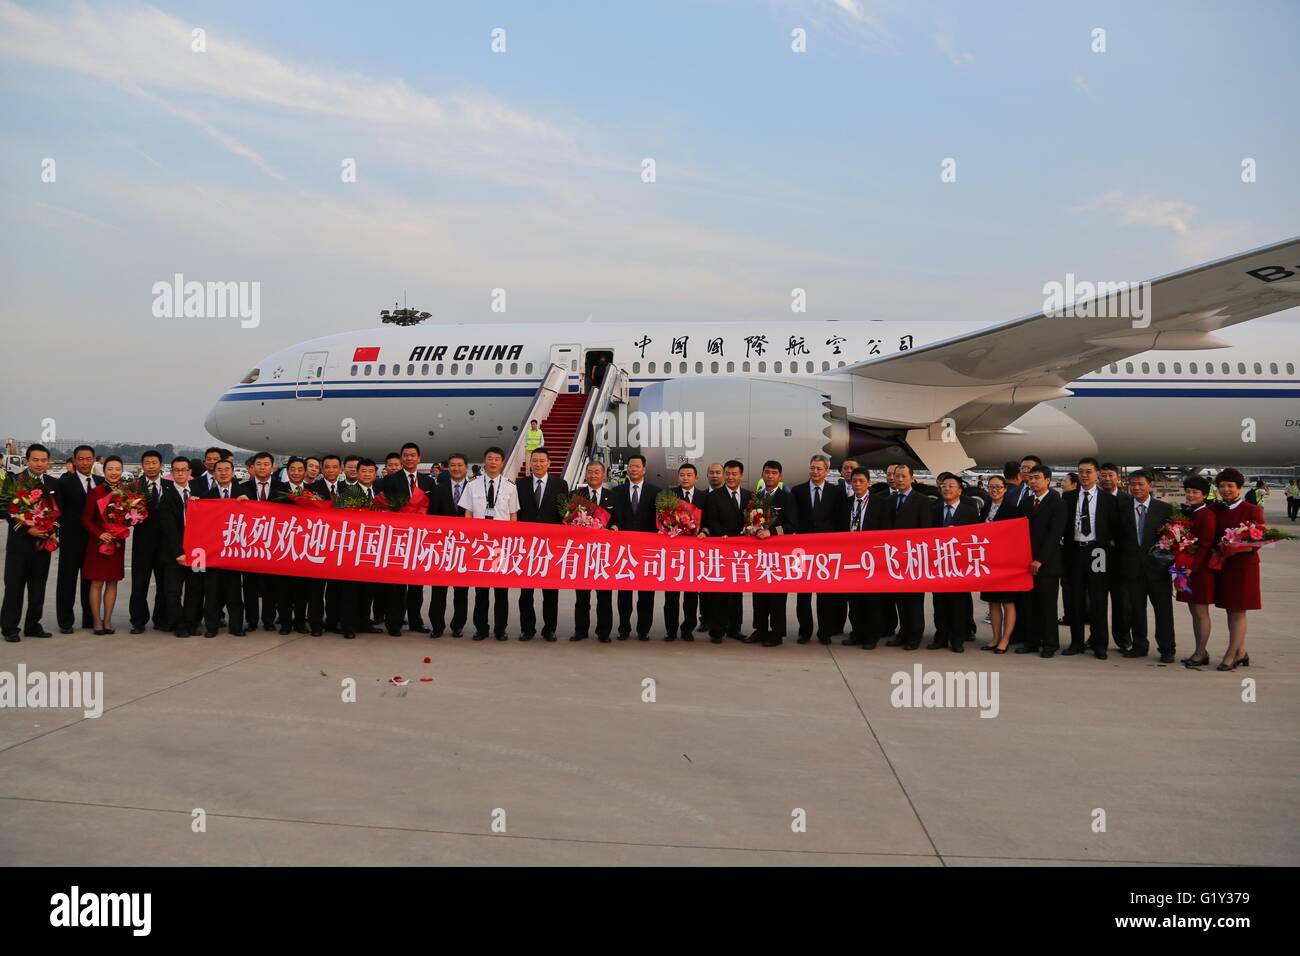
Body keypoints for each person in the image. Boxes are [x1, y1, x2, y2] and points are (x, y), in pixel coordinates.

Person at [1061, 457, 1119, 659]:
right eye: (1081, 472)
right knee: (1075, 599)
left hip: (1098, 552)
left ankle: (1099, 642)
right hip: (1075, 550)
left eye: (1088, 472)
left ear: (1097, 474)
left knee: (1098, 598)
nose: (1084, 475)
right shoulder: (1067, 498)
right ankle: (1076, 642)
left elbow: (1115, 529)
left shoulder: (1109, 500)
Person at [1116, 470, 1176, 662]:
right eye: (1133, 484)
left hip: (1157, 570)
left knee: (1163, 611)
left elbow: (1172, 539)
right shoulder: (1122, 508)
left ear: (1150, 486)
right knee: (1136, 610)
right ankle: (1140, 645)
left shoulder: (1164, 509)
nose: (1136, 488)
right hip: (1132, 569)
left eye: (1141, 484)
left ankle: (1167, 648)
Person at [380, 442, 440, 636]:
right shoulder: (390, 481)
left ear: (419, 458)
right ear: (401, 458)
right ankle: (394, 623)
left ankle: (415, 621)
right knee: (396, 586)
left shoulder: (428, 482)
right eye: (405, 455)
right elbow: (383, 508)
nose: (409, 458)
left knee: (416, 585)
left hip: (419, 541)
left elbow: (432, 511)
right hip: (397, 540)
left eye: (413, 455)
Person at [1, 444, 59, 642]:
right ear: (27, 460)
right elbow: (8, 513)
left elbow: (58, 512)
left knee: (38, 586)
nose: (40, 464)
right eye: (35, 460)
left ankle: (33, 625)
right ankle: (10, 628)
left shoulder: (53, 483)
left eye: (43, 460)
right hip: (19, 544)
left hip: (43, 544)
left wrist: (53, 531)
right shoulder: (15, 481)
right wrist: (28, 529)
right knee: (14, 586)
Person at [460, 446, 519, 640]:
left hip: (501, 546)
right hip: (479, 545)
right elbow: (468, 513)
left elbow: (513, 516)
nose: (493, 462)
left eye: (497, 459)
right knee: (481, 592)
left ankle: (500, 629)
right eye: (489, 458)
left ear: (502, 462)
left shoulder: (510, 486)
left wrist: (511, 544)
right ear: (484, 461)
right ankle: (481, 629)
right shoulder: (472, 484)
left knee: (501, 592)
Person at [790, 454, 848, 644]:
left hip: (827, 551)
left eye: (819, 469)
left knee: (826, 595)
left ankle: (825, 632)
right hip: (803, 551)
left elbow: (841, 521)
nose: (815, 472)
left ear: (827, 471)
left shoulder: (836, 492)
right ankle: (804, 631)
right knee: (803, 595)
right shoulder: (797, 491)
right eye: (812, 468)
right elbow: (794, 521)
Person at [1212, 468, 1263, 671]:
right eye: (1222, 486)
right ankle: (1241, 652)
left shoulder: (1252, 510)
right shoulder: (1216, 510)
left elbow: (1257, 541)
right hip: (1223, 565)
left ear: (1240, 488)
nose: (1226, 489)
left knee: (1238, 610)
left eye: (1230, 486)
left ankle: (1231, 654)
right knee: (1229, 609)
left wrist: (1236, 546)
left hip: (1244, 567)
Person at [516, 447, 569, 641]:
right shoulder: (520, 484)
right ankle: (527, 629)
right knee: (526, 592)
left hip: (551, 546)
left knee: (550, 592)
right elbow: (517, 513)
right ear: (530, 463)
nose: (537, 464)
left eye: (541, 461)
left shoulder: (560, 484)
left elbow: (564, 514)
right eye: (534, 461)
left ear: (549, 463)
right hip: (527, 546)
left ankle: (550, 629)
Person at [1015, 464, 1066, 658]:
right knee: (1029, 605)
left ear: (1048, 480)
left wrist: (1040, 559)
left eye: (1037, 478)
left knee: (1047, 606)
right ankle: (1032, 641)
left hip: (1048, 564)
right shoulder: (1026, 503)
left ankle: (1050, 644)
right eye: (1031, 478)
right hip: (1026, 563)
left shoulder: (1057, 502)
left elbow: (1055, 534)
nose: (1033, 481)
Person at [609, 453, 660, 640]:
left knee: (646, 594)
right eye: (631, 466)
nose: (633, 469)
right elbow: (614, 517)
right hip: (625, 550)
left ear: (644, 469)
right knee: (624, 594)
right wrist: (614, 526)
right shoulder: (617, 491)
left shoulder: (656, 492)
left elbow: (660, 520)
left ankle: (643, 630)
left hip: (648, 550)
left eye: (637, 466)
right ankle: (624, 628)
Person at [929, 473, 980, 652]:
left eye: (951, 486)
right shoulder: (934, 509)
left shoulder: (970, 511)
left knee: (958, 603)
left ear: (959, 490)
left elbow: (975, 537)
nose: (947, 488)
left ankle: (957, 639)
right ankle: (941, 636)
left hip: (959, 565)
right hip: (938, 564)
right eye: (944, 485)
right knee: (939, 602)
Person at [885, 463, 933, 650]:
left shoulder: (921, 500)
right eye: (897, 476)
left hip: (913, 558)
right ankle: (902, 632)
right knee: (899, 599)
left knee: (914, 600)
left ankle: (915, 635)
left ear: (912, 478)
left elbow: (925, 530)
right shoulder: (889, 501)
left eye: (904, 476)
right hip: (894, 559)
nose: (900, 480)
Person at [54, 444, 102, 632]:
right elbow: (58, 511)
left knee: (89, 581)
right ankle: (65, 621)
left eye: (88, 459)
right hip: (71, 540)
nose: (84, 462)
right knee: (67, 581)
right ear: (74, 461)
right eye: (80, 459)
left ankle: (90, 619)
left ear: (93, 459)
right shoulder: (64, 483)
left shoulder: (101, 481)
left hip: (94, 540)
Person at [702, 459, 751, 643]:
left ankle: (734, 629)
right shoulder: (714, 496)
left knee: (736, 593)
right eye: (728, 474)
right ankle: (717, 630)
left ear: (741, 475)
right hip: (721, 550)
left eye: (734, 474)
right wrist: (722, 535)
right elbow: (710, 520)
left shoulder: (749, 496)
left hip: (741, 553)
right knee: (719, 593)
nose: (730, 477)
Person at [236, 452, 285, 632]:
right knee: (250, 584)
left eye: (266, 464)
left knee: (271, 585)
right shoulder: (242, 488)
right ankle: (251, 620)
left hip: (274, 545)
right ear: (253, 467)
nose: (262, 467)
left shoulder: (282, 488)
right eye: (259, 464)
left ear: (272, 467)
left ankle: (268, 619)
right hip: (250, 545)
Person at [747, 460, 792, 646]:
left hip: (778, 555)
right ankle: (760, 629)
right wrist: (749, 528)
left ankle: (777, 632)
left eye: (774, 473)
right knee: (758, 595)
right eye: (767, 472)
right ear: (762, 474)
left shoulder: (787, 498)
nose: (770, 476)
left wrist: (771, 532)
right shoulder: (756, 497)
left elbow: (792, 524)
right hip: (759, 554)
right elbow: (749, 519)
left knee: (777, 596)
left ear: (780, 476)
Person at [198, 458, 246, 637]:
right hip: (213, 554)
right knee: (212, 593)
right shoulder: (205, 497)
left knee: (234, 593)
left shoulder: (244, 494)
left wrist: (247, 503)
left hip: (234, 553)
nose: (223, 473)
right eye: (219, 470)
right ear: (214, 473)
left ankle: (236, 627)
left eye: (227, 469)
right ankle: (211, 627)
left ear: (233, 473)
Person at [336, 459, 383, 639]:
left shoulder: (379, 493)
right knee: (350, 590)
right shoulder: (348, 492)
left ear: (375, 473)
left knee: (368, 590)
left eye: (371, 471)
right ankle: (347, 625)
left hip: (372, 549)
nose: (367, 474)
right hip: (352, 549)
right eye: (364, 471)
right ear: (357, 472)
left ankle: (364, 622)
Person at [845, 467, 891, 649]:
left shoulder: (880, 503)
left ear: (869, 483)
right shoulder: (846, 502)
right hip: (851, 559)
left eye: (861, 481)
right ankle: (857, 633)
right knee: (854, 600)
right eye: (854, 481)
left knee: (872, 600)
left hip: (872, 559)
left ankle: (871, 636)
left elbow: (886, 530)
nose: (857, 484)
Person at [571, 461, 616, 642]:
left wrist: (614, 528)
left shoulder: (612, 497)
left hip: (605, 555)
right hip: (582, 553)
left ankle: (604, 632)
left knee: (604, 597)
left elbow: (618, 519)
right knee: (582, 597)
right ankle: (580, 631)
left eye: (597, 472)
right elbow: (568, 519)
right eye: (590, 472)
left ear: (603, 475)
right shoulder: (576, 496)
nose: (593, 475)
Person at [662, 463, 707, 642]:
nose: (685, 478)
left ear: (696, 478)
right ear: (677, 477)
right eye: (682, 475)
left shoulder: (704, 496)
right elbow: (661, 517)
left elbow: (708, 519)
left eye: (689, 475)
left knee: (691, 596)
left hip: (694, 553)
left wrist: (705, 531)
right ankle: (671, 630)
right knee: (671, 595)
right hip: (673, 552)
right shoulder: (669, 495)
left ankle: (688, 628)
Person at [128, 449, 172, 634]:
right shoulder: (134, 487)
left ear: (161, 465)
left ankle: (160, 619)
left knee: (163, 585)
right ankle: (138, 621)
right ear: (142, 465)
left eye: (154, 463)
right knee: (139, 584)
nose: (151, 466)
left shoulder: (170, 486)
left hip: (165, 544)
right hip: (142, 544)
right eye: (147, 463)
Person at [158, 457, 202, 638]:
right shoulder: (166, 496)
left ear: (190, 472)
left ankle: (192, 623)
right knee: (173, 592)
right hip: (174, 553)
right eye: (176, 470)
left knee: (195, 590)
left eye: (184, 470)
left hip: (198, 552)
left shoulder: (201, 493)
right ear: (171, 473)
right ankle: (179, 624)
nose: (180, 473)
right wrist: (179, 553)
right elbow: (169, 529)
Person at [1178, 476, 1217, 667]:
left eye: (1195, 492)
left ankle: (1201, 653)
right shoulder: (1191, 512)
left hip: (1199, 571)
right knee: (1194, 610)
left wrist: (1191, 569)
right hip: (1188, 569)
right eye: (1188, 491)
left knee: (1201, 612)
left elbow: (1205, 545)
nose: (1190, 495)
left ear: (1203, 494)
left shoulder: (1206, 515)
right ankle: (1199, 650)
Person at [978, 475, 1021, 653]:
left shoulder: (1012, 510)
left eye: (998, 487)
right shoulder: (985, 508)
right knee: (993, 603)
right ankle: (995, 638)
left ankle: (1005, 639)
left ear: (1005, 489)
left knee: (1007, 603)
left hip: (1006, 563)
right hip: (989, 563)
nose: (994, 490)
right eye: (991, 487)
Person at [1097, 462, 1133, 651]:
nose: (1107, 478)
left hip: (1120, 558)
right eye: (1103, 475)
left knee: (1121, 601)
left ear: (1117, 477)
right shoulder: (1093, 498)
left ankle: (1122, 638)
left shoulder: (1127, 500)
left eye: (1110, 475)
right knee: (1097, 600)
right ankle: (1097, 637)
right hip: (1099, 556)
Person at [441, 454, 473, 637]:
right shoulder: (439, 489)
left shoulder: (476, 489)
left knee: (461, 591)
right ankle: (438, 625)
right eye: (452, 465)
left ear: (466, 467)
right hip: (443, 547)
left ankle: (458, 625)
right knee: (439, 590)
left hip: (465, 548)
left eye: (460, 465)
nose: (456, 468)